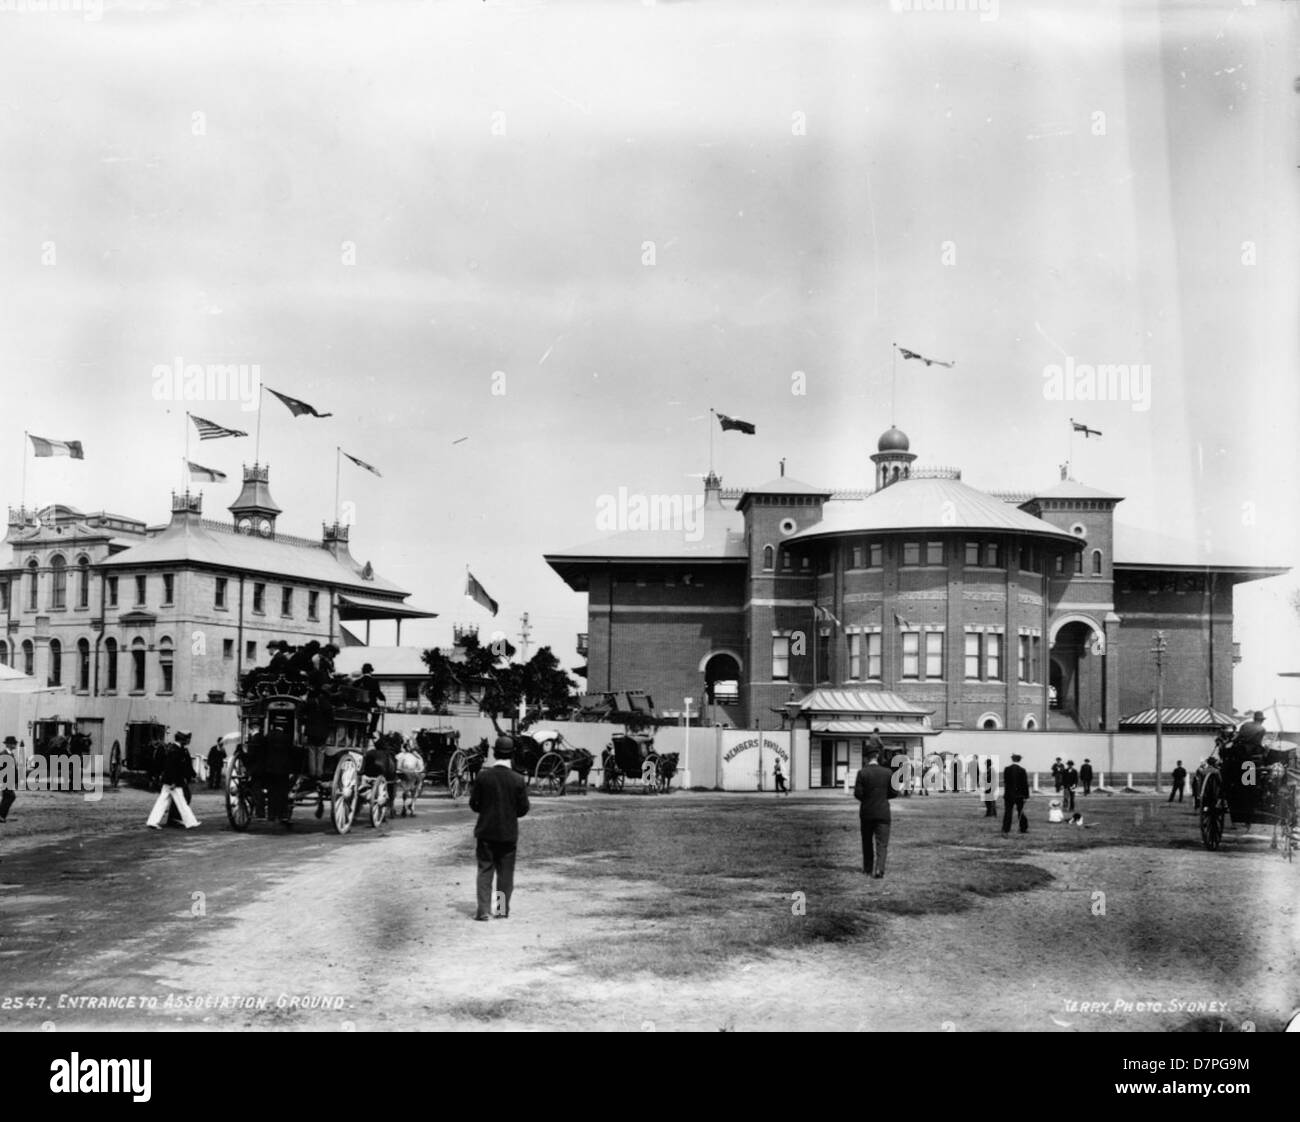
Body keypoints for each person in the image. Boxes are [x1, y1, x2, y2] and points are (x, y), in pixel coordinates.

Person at [469, 736, 530, 920]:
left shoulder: (482, 776)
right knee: (505, 874)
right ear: (512, 755)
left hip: (486, 832)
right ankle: (501, 910)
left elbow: (474, 805)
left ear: (494, 753)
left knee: (485, 870)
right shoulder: (518, 780)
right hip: (507, 834)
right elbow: (523, 809)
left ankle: (483, 911)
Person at [853, 746, 896, 878]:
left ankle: (867, 868)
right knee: (882, 843)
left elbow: (858, 794)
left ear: (866, 758)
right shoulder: (888, 772)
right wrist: (882, 796)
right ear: (877, 756)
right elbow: (894, 793)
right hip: (883, 812)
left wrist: (868, 798)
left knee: (867, 841)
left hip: (867, 812)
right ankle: (879, 869)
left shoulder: (862, 773)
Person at [146, 732, 200, 830]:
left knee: (163, 800)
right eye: (188, 739)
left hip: (170, 780)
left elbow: (184, 766)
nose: (189, 741)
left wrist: (192, 775)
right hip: (173, 781)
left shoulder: (178, 749)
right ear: (182, 739)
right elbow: (171, 768)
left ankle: (152, 821)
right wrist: (174, 782)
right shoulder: (174, 750)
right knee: (181, 802)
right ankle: (191, 822)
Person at [1002, 754, 1030, 834]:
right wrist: (1026, 796)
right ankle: (1023, 828)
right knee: (1020, 811)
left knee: (1008, 812)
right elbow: (1025, 784)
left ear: (1012, 759)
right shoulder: (1022, 770)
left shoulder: (1007, 769)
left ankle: (1005, 829)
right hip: (1019, 795)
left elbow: (1006, 782)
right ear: (1020, 760)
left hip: (1009, 795)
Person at [0, 736, 17, 823]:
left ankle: (2, 816)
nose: (15, 745)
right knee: (11, 796)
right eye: (14, 743)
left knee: (6, 797)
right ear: (9, 744)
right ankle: (2, 816)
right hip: (5, 780)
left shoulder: (10, 754)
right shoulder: (3, 754)